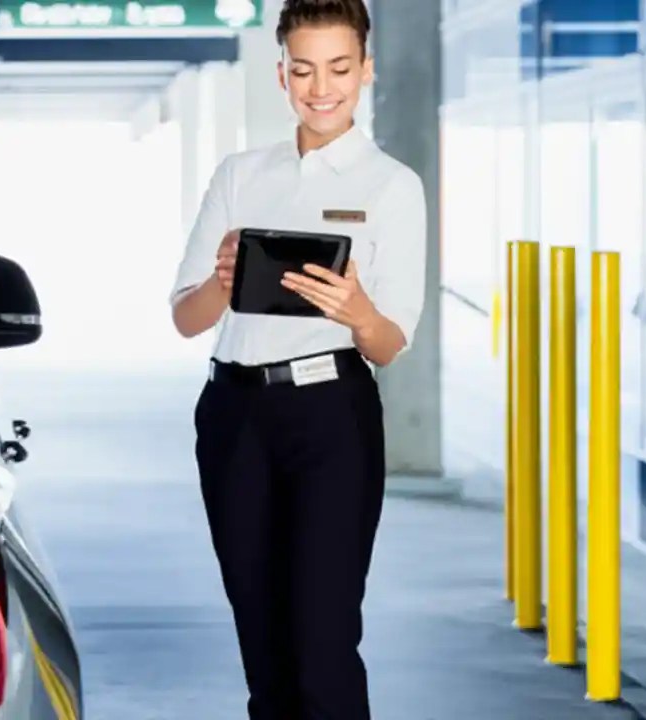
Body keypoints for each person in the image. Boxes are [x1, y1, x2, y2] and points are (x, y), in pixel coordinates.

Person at [168, 0, 426, 717]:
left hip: (331, 417)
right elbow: (184, 319)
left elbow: (390, 343)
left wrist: (356, 310)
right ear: (281, 74)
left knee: (323, 639)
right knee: (263, 640)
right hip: (234, 416)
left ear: (367, 70)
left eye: (340, 68)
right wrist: (223, 284)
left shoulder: (392, 186)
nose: (322, 87)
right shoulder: (240, 175)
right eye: (305, 69)